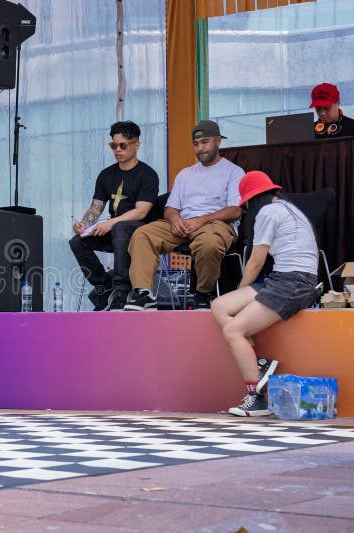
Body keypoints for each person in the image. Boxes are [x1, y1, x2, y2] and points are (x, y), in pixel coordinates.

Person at [211, 171, 319, 417]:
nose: (247, 208)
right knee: (219, 305)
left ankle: (256, 398)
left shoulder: (268, 213)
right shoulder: (287, 208)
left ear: (253, 198)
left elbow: (256, 262)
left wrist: (241, 289)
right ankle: (259, 363)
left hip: (293, 282)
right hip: (286, 278)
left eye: (247, 202)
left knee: (233, 330)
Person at [125, 120, 244, 311]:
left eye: (205, 142)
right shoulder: (185, 174)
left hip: (215, 223)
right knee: (142, 234)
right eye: (196, 144)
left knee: (208, 244)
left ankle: (204, 294)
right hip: (183, 224)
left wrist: (201, 220)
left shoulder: (233, 172)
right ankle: (143, 293)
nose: (200, 148)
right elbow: (170, 208)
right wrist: (175, 219)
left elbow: (235, 210)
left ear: (218, 141)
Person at [69, 121, 159, 310]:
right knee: (77, 241)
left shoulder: (148, 174)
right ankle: (105, 286)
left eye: (123, 145)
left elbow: (142, 211)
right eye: (113, 145)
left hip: (139, 232)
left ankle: (122, 289)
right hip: (114, 231)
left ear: (136, 145)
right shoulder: (106, 175)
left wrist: (111, 223)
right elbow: (96, 208)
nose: (117, 149)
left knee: (120, 227)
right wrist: (83, 224)